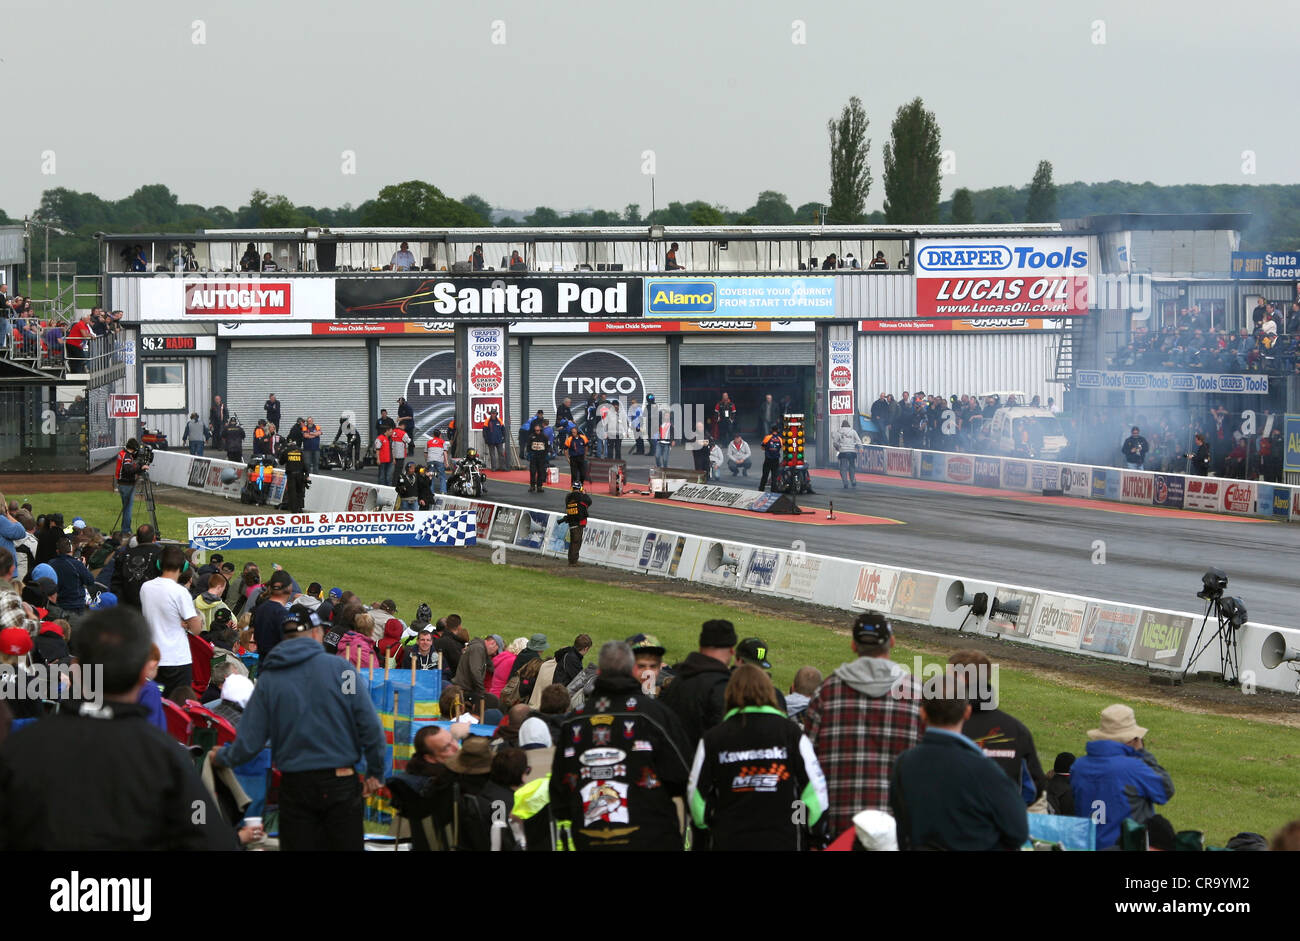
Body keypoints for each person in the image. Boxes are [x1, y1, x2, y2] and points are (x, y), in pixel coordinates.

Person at [0, 606, 238, 850]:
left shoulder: (20, 747)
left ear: (78, 666)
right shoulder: (168, 760)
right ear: (142, 673)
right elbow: (213, 838)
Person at [213, 604, 386, 852]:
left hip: (296, 787)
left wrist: (220, 756)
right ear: (316, 633)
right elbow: (369, 726)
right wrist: (376, 773)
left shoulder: (270, 678)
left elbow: (250, 743)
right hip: (339, 784)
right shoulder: (342, 670)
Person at [549, 641, 692, 850]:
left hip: (593, 838)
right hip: (651, 837)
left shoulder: (573, 721)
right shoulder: (655, 715)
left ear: (599, 671)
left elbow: (559, 798)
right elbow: (684, 776)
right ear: (633, 669)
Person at [803, 612, 922, 835]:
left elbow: (808, 761)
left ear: (853, 645)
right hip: (898, 829)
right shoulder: (918, 693)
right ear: (892, 643)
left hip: (840, 826)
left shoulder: (826, 692)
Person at [687, 664, 829, 851]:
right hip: (783, 840)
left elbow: (696, 799)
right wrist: (810, 833)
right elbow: (815, 794)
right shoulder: (791, 733)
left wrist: (712, 825)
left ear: (730, 693)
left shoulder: (713, 738)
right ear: (769, 691)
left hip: (730, 840)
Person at [889, 666, 1029, 851]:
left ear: (922, 713)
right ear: (967, 713)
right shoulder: (984, 769)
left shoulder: (904, 763)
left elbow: (901, 828)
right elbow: (1018, 831)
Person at [948, 649, 1047, 808]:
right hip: (1002, 823)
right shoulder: (1016, 730)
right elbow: (1033, 789)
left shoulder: (943, 725)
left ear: (961, 679)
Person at [1070, 704, 1174, 850]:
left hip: (1087, 846)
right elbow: (1165, 790)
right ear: (1132, 739)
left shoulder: (1078, 767)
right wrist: (1143, 754)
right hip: (1125, 846)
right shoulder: (1133, 768)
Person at [139, 545, 203, 703]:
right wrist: (190, 623)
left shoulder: (146, 587)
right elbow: (196, 629)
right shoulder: (180, 592)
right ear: (185, 566)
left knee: (154, 703)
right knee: (179, 707)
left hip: (153, 658)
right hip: (177, 659)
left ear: (159, 564)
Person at [660, 619, 735, 749]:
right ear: (731, 651)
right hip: (700, 764)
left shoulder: (678, 678)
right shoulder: (721, 686)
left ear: (701, 646)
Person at [114, 438, 147, 536]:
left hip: (122, 484)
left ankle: (125, 529)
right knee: (128, 509)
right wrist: (140, 467)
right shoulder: (127, 457)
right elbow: (128, 469)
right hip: (127, 485)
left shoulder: (122, 453)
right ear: (133, 448)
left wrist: (136, 466)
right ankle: (126, 530)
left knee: (126, 508)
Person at [563, 481, 592, 566]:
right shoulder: (581, 497)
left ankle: (572, 560)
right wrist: (585, 494)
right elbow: (589, 501)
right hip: (578, 522)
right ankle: (573, 561)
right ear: (580, 488)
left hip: (571, 521)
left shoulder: (568, 497)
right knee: (576, 542)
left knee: (573, 542)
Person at [834, 419, 862, 488]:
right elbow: (858, 441)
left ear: (842, 425)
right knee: (852, 467)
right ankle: (853, 481)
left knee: (843, 468)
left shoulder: (839, 432)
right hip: (852, 452)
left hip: (843, 452)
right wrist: (860, 448)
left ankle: (845, 482)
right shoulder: (853, 431)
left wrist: (837, 448)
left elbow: (835, 443)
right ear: (849, 425)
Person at [424, 427, 448, 494]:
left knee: (430, 476)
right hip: (439, 461)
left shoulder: (428, 442)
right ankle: (443, 491)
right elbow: (445, 452)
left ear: (433, 435)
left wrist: (427, 462)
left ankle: (431, 492)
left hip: (430, 460)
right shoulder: (443, 442)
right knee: (442, 476)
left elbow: (425, 453)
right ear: (440, 435)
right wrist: (446, 462)